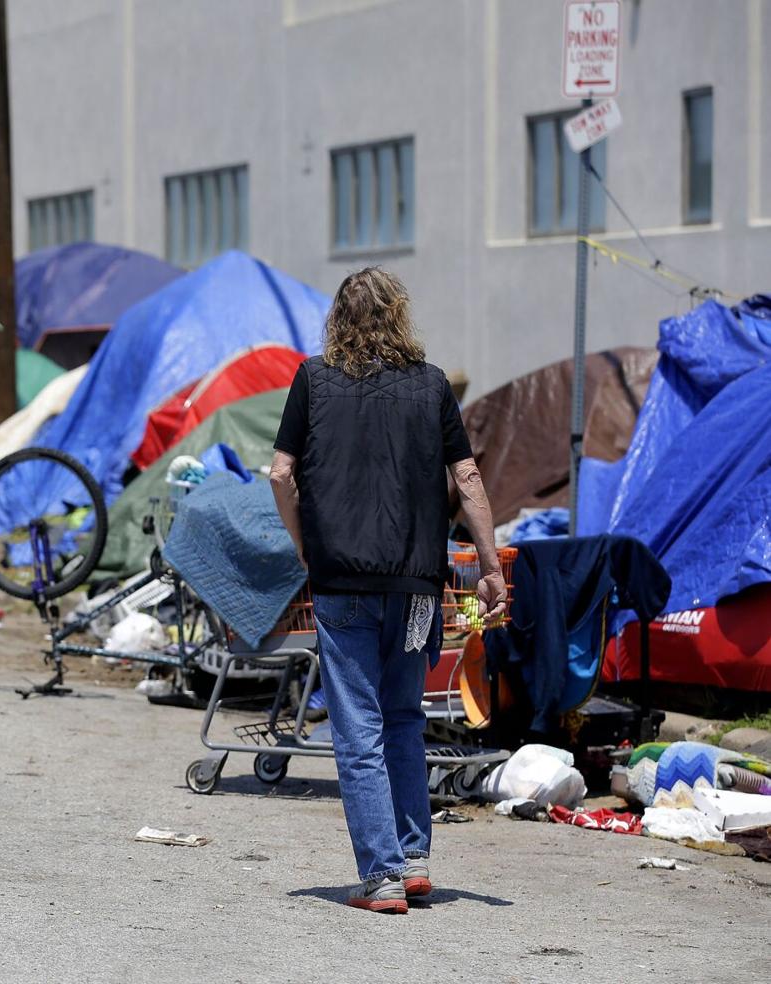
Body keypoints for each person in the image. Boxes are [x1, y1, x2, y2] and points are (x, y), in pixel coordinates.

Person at [269, 267, 506, 915]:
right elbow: (468, 476)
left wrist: (301, 542)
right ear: (399, 314)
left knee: (358, 727)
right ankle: (414, 858)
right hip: (417, 585)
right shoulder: (431, 386)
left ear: (337, 319)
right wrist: (490, 567)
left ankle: (382, 877)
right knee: (404, 716)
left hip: (342, 578)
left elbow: (280, 473)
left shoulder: (313, 380)